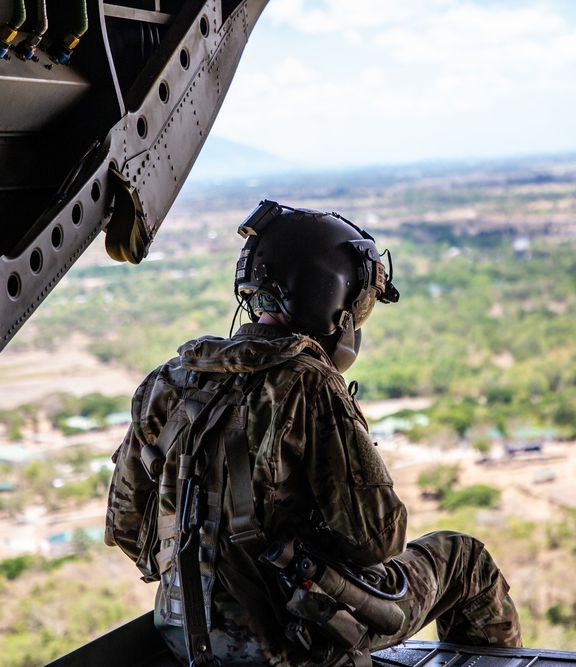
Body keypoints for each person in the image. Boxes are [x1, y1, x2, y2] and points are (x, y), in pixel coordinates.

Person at [105, 200, 521, 666]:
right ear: (331, 297)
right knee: (465, 560)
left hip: (187, 638)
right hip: (293, 642)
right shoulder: (308, 382)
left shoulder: (167, 380)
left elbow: (126, 527)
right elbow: (378, 541)